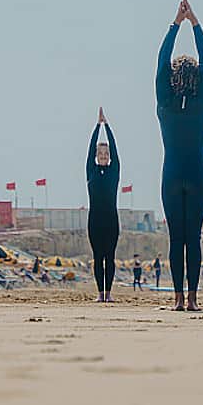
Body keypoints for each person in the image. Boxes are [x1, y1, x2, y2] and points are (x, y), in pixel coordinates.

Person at [155, 0, 203, 311]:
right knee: (194, 238)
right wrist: (195, 23)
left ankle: (177, 299)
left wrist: (175, 24)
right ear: (198, 80)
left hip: (171, 174)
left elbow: (161, 63)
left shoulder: (164, 103)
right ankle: (192, 299)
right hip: (196, 174)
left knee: (176, 239)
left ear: (173, 78)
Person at [86, 108, 120, 303]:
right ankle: (100, 294)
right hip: (95, 220)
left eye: (106, 153)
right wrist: (96, 127)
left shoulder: (114, 171)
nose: (104, 155)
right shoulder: (91, 170)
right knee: (98, 257)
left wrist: (106, 126)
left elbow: (115, 149)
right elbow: (90, 150)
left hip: (111, 220)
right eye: (100, 153)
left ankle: (109, 293)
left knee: (110, 257)